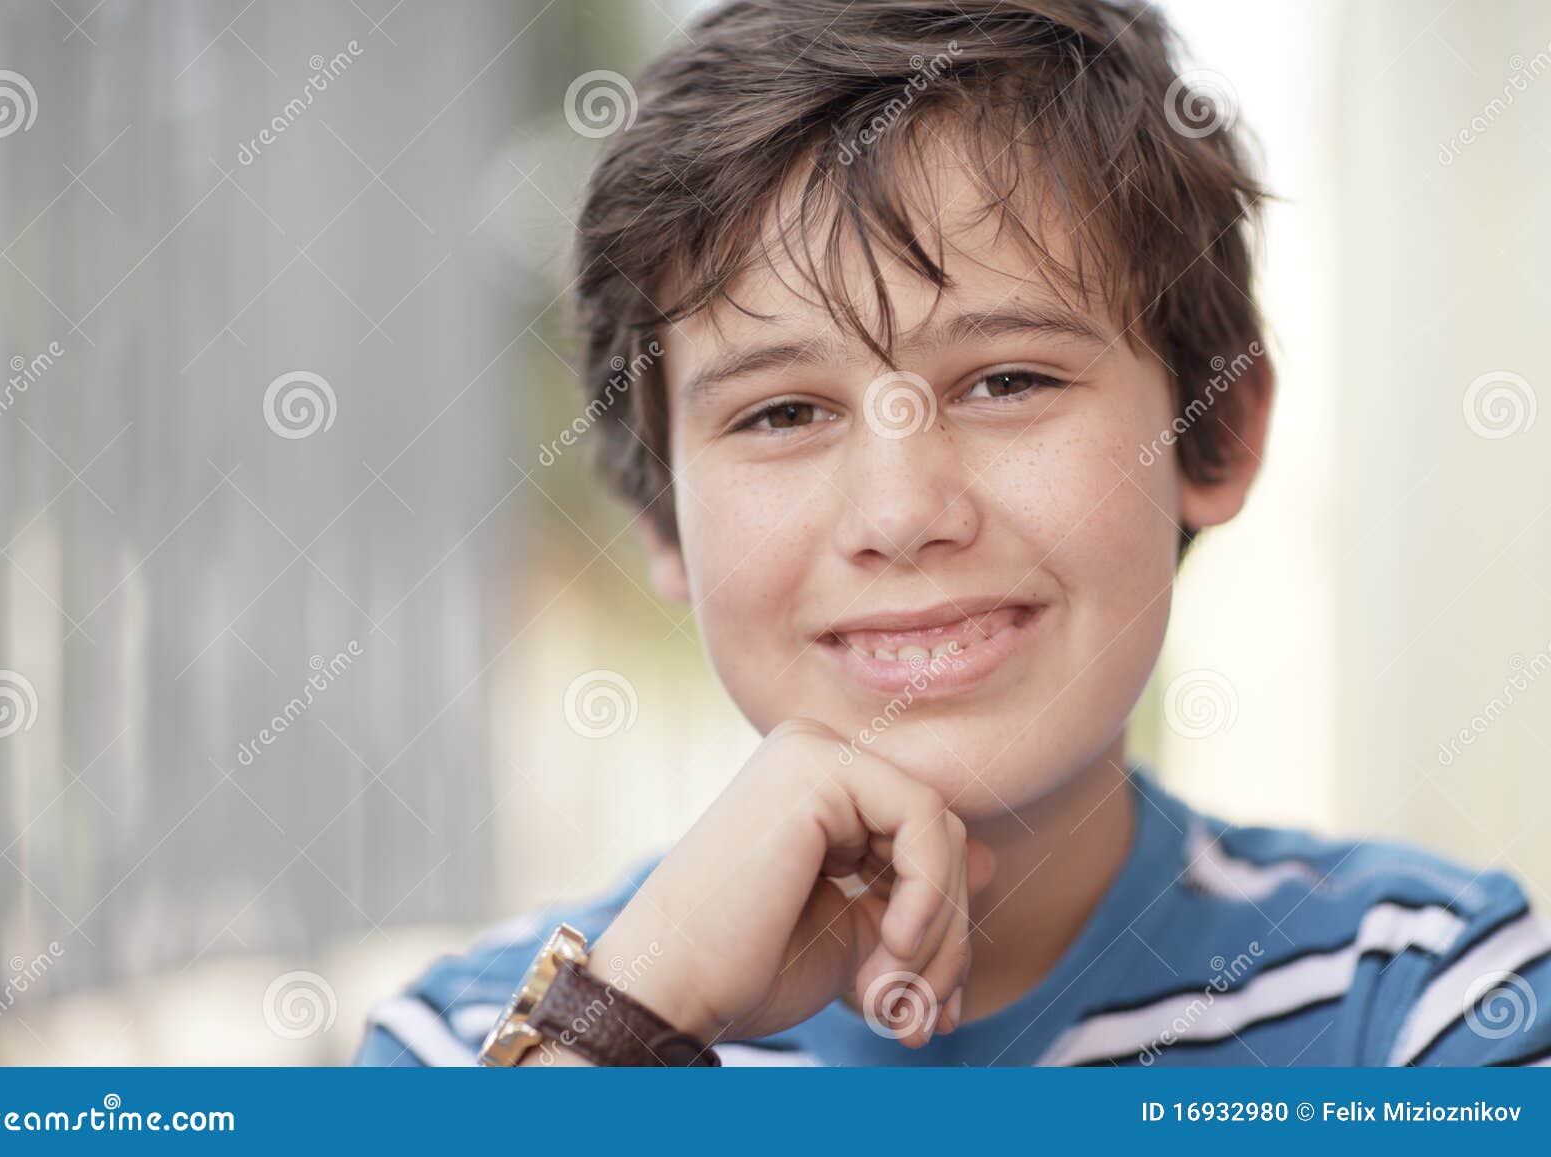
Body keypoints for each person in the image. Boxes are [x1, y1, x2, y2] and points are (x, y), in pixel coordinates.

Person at [356, 0, 1551, 1067]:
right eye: (782, 411)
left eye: (1008, 381)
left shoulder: (1430, 1000)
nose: (902, 514)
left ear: (1216, 431)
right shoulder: (473, 1044)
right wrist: (627, 1026)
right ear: (659, 515)